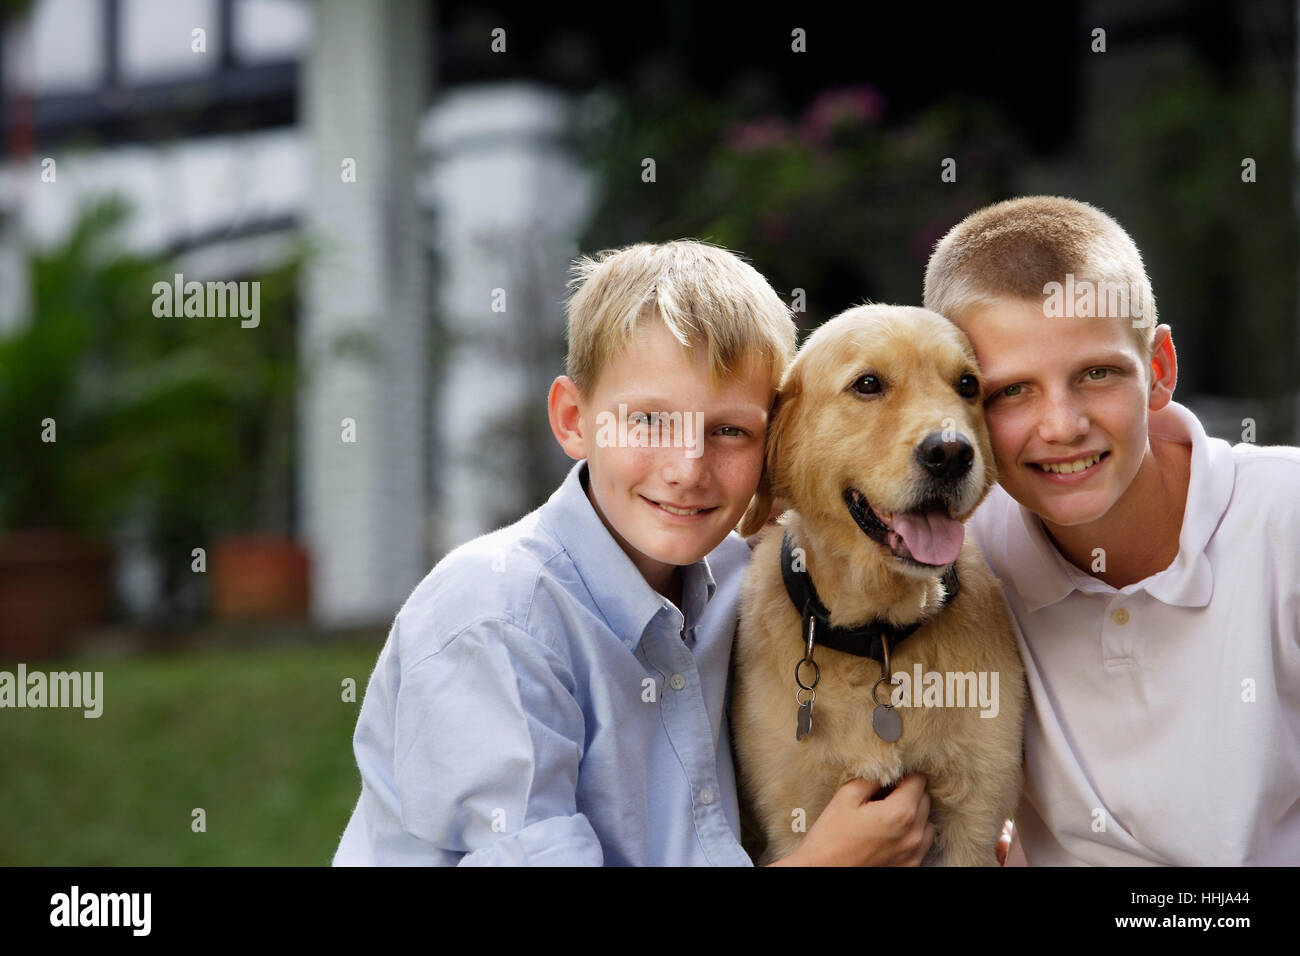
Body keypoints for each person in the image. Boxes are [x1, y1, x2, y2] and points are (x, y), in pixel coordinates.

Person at [333, 239, 936, 865]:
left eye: (730, 431)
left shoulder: (746, 586)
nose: (688, 468)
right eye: (648, 420)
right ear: (573, 419)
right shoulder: (496, 615)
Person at [923, 195, 1300, 865]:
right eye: (1012, 391)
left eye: (1096, 373)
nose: (1062, 425)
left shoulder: (1284, 517)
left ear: (1157, 370)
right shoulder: (954, 555)